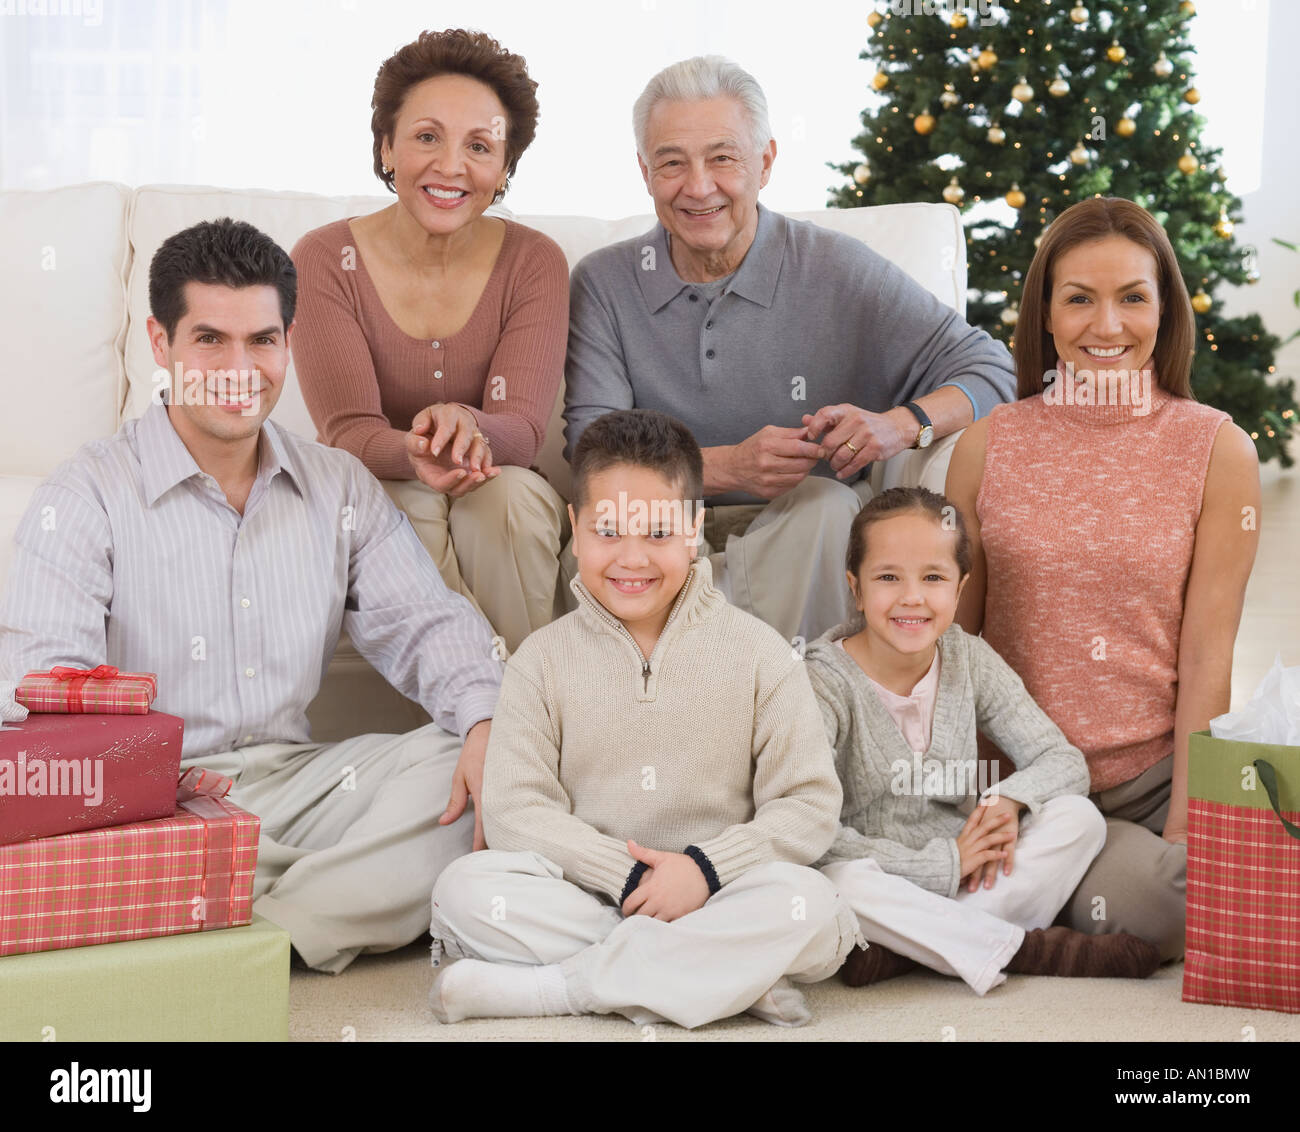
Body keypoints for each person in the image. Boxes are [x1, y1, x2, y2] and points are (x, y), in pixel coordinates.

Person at [0, 218, 504, 975]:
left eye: (262, 340)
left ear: (288, 343)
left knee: (466, 765)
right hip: (149, 804)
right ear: (159, 343)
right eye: (210, 339)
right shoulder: (86, 495)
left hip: (297, 785)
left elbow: (429, 626)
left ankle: (245, 930)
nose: (240, 367)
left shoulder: (336, 486)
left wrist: (488, 721)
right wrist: (153, 793)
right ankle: (288, 905)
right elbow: (40, 700)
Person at [560, 54, 1017, 644]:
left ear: (765, 162)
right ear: (645, 173)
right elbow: (591, 451)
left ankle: (802, 715)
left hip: (800, 530)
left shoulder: (837, 268)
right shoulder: (605, 281)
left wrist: (900, 427)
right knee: (617, 520)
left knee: (827, 506)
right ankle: (651, 718)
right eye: (672, 163)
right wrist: (725, 466)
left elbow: (991, 366)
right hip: (660, 525)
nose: (699, 187)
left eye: (723, 158)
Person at [427, 410, 860, 1028]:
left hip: (721, 893)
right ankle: (726, 979)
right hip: (591, 896)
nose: (632, 559)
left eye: (657, 533)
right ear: (575, 528)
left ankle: (560, 990)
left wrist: (704, 871)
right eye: (609, 531)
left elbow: (808, 804)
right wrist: (627, 876)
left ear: (694, 529)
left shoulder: (762, 653)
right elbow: (515, 808)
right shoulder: (540, 661)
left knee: (812, 907)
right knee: (464, 890)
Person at [945, 196, 1261, 962]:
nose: (1107, 325)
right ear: (1045, 315)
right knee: (1144, 905)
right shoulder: (988, 446)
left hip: (1149, 780)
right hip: (1019, 778)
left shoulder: (1218, 450)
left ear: (1166, 310)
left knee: (1179, 900)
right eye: (1079, 298)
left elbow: (1205, 658)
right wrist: (966, 802)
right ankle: (1028, 909)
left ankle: (1006, 918)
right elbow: (952, 647)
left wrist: (1187, 827)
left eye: (1133, 298)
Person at [805, 488, 1161, 994]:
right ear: (856, 589)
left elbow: (1062, 759)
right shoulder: (821, 682)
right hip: (878, 876)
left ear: (959, 588)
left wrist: (1009, 798)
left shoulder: (968, 658)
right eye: (888, 577)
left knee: (1078, 819)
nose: (912, 597)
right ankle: (1025, 948)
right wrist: (943, 864)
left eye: (933, 578)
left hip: (968, 881)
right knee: (836, 881)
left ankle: (911, 951)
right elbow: (809, 830)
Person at [292, 28, 570, 654]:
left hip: (498, 478)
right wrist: (419, 451)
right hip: (376, 477)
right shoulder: (323, 260)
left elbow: (522, 432)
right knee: (407, 506)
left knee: (508, 501)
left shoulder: (534, 261)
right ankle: (477, 711)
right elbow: (349, 434)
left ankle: (530, 708)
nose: (451, 166)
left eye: (479, 145)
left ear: (503, 169)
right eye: (426, 137)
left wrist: (464, 426)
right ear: (387, 148)